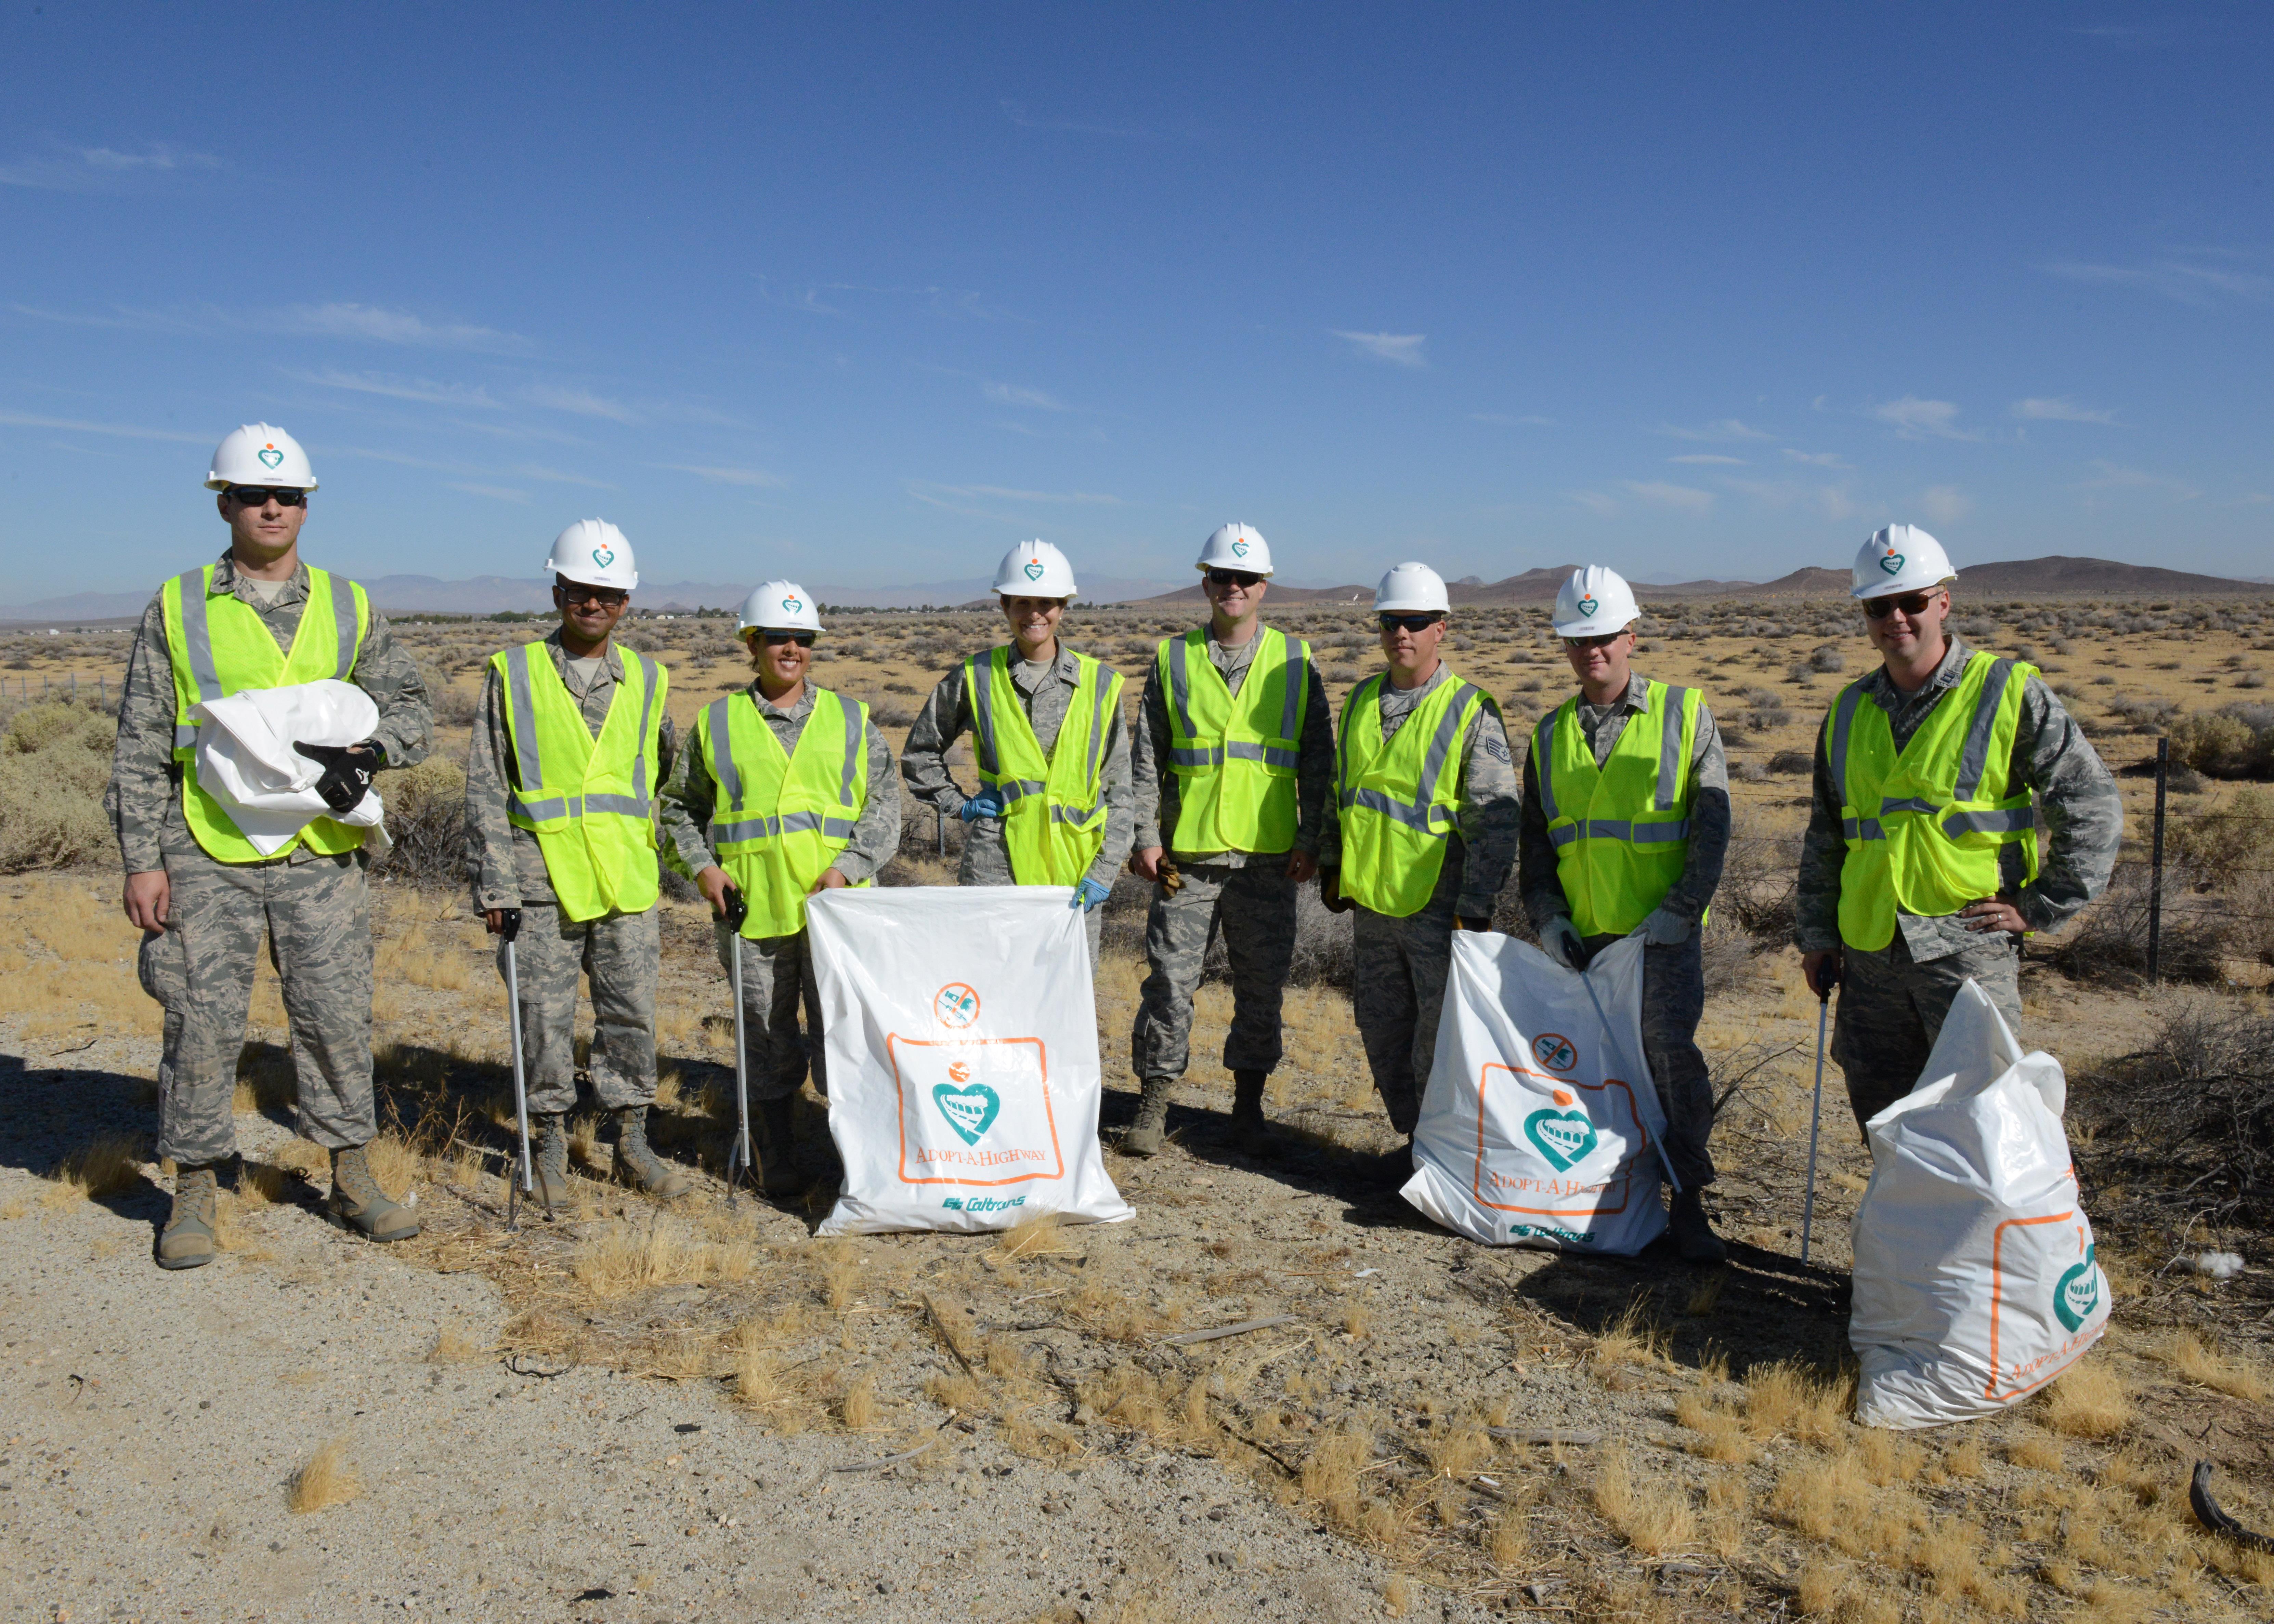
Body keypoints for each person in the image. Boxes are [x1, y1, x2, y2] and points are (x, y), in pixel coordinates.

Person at [106, 424, 432, 1270]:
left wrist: (371, 752)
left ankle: (352, 1174)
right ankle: (195, 1191)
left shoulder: (350, 604)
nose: (273, 507)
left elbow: (413, 709)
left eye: (288, 495)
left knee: (331, 1017)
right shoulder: (177, 606)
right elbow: (142, 741)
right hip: (205, 849)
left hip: (320, 854)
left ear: (307, 504)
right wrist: (143, 859)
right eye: (256, 494)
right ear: (226, 502)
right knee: (202, 1023)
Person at [1796, 525, 2122, 1134]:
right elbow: (1826, 832)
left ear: (1942, 601)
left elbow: (2091, 802)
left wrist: (2039, 904)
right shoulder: (1847, 709)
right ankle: (1903, 1232)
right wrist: (1817, 932)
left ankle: (1985, 1234)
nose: (1895, 617)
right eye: (1878, 605)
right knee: (1884, 1117)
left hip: (1966, 948)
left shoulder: (2006, 690)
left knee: (1985, 1117)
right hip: (1868, 952)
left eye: (1911, 601)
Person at [464, 520, 687, 1205]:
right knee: (543, 1017)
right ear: (557, 589)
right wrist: (495, 882)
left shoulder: (650, 681)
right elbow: (485, 783)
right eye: (580, 590)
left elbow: (669, 777)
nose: (593, 603)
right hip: (539, 882)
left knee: (630, 1015)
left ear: (626, 603)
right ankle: (552, 1140)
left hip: (624, 882)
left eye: (608, 594)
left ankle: (630, 1140)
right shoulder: (515, 673)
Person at [658, 581, 901, 1196]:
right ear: (752, 642)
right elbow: (678, 809)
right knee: (767, 1041)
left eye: (802, 638)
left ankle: (861, 1162)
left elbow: (883, 811)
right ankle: (776, 1157)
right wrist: (702, 869)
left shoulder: (851, 719)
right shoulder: (717, 722)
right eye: (776, 638)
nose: (790, 648)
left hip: (838, 915)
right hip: (753, 913)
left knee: (847, 1038)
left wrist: (846, 866)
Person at [1517, 566, 1730, 1262]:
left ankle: (1690, 1203)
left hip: (1659, 942)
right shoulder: (1549, 736)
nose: (1592, 651)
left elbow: (1711, 828)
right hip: (1585, 943)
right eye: (1578, 639)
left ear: (1631, 635)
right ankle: (1609, 1202)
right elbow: (1536, 843)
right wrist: (1547, 917)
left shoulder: (1684, 713)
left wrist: (1681, 909)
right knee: (1591, 1078)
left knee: (1671, 1067)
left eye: (1604, 635)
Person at [1125, 524, 1334, 1158]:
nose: (1233, 587)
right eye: (1222, 576)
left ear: (1263, 586)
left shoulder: (1296, 660)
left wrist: (1311, 838)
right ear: (1205, 582)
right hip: (1187, 858)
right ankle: (1154, 1104)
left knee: (1261, 985)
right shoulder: (1172, 657)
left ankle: (1247, 1108)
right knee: (1168, 983)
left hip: (1267, 858)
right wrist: (1145, 835)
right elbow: (1144, 758)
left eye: (1245, 578)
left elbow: (1318, 761)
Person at [1319, 562, 1520, 1177]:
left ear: (1440, 629)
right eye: (1389, 621)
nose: (1399, 632)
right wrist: (1332, 862)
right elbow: (1341, 791)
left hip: (1437, 904)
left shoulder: (1469, 709)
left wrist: (1476, 901)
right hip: (1372, 902)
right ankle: (1414, 1141)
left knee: (1437, 1040)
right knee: (1381, 1028)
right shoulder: (1358, 699)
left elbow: (1494, 816)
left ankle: (1440, 1157)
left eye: (1412, 621)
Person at [901, 541, 1135, 962]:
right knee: (993, 989)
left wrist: (1105, 869)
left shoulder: (1100, 684)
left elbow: (1120, 787)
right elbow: (920, 754)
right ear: (1005, 605)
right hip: (996, 866)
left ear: (1063, 607)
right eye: (1022, 602)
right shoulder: (977, 676)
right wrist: (960, 806)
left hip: (1075, 869)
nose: (1034, 614)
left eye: (1046, 603)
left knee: (1066, 999)